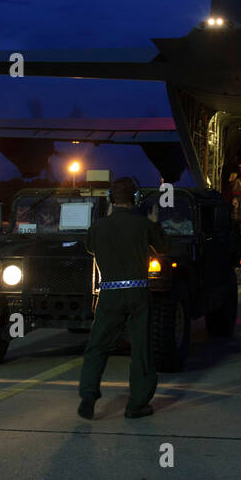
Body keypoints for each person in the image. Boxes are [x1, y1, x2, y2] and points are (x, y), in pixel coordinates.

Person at [77, 176, 169, 420]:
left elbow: (90, 247)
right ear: (135, 198)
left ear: (110, 199)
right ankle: (136, 404)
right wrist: (155, 223)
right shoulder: (143, 225)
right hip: (138, 293)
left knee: (97, 346)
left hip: (109, 293)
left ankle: (88, 394)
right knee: (142, 348)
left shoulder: (98, 227)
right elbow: (164, 247)